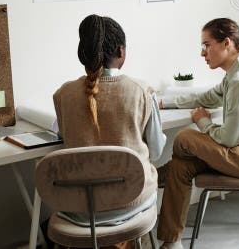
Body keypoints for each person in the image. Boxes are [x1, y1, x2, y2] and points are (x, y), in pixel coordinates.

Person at [156, 18, 239, 249]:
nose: (202, 52)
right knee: (181, 167)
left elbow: (228, 139)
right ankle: (171, 243)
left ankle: (160, 175)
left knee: (185, 137)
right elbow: (207, 97)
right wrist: (164, 102)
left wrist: (202, 121)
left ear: (226, 43)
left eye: (207, 45)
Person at [53, 14, 166, 242]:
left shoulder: (63, 94)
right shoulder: (141, 91)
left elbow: (64, 140)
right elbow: (155, 152)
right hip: (130, 204)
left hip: (78, 209)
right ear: (120, 52)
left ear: (83, 53)